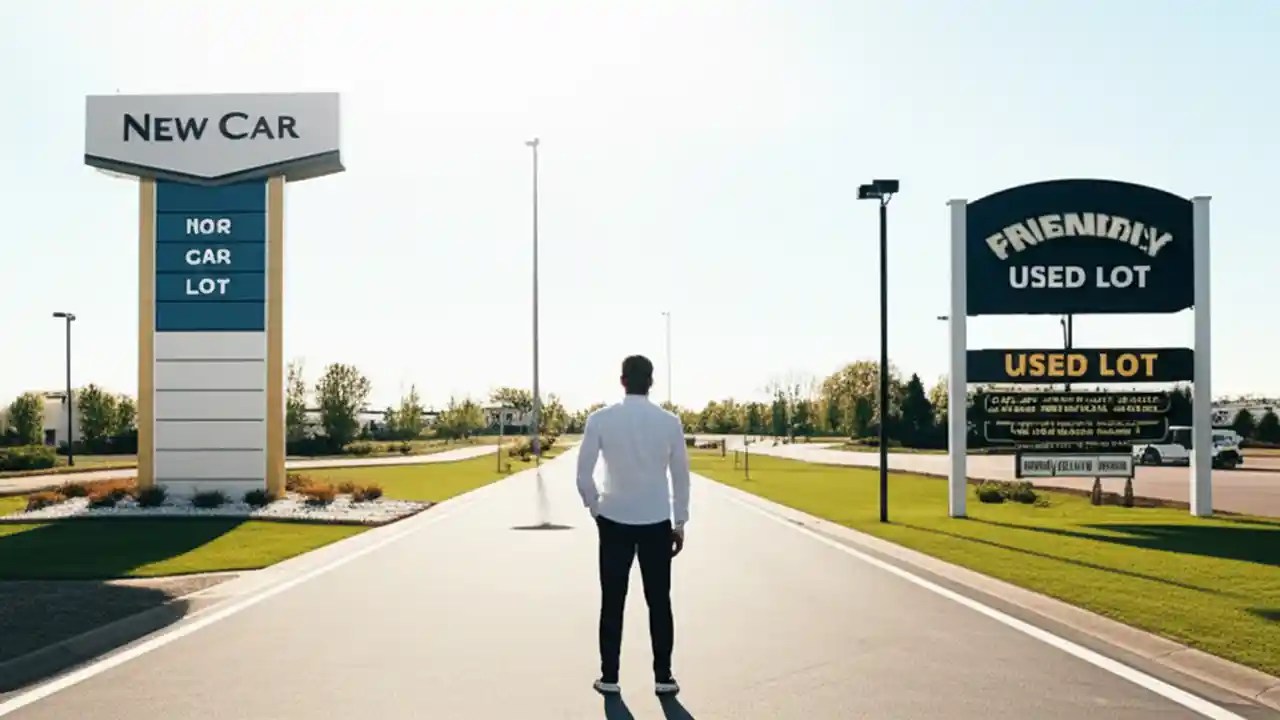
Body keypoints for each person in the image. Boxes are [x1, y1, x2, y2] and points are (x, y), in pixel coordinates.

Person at [576, 354, 691, 696]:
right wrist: (680, 520)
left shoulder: (600, 419)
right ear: (651, 381)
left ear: (622, 380)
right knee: (659, 601)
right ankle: (664, 677)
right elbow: (680, 477)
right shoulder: (669, 423)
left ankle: (609, 676)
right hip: (656, 521)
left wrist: (596, 508)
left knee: (613, 600)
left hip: (614, 520)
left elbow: (583, 475)